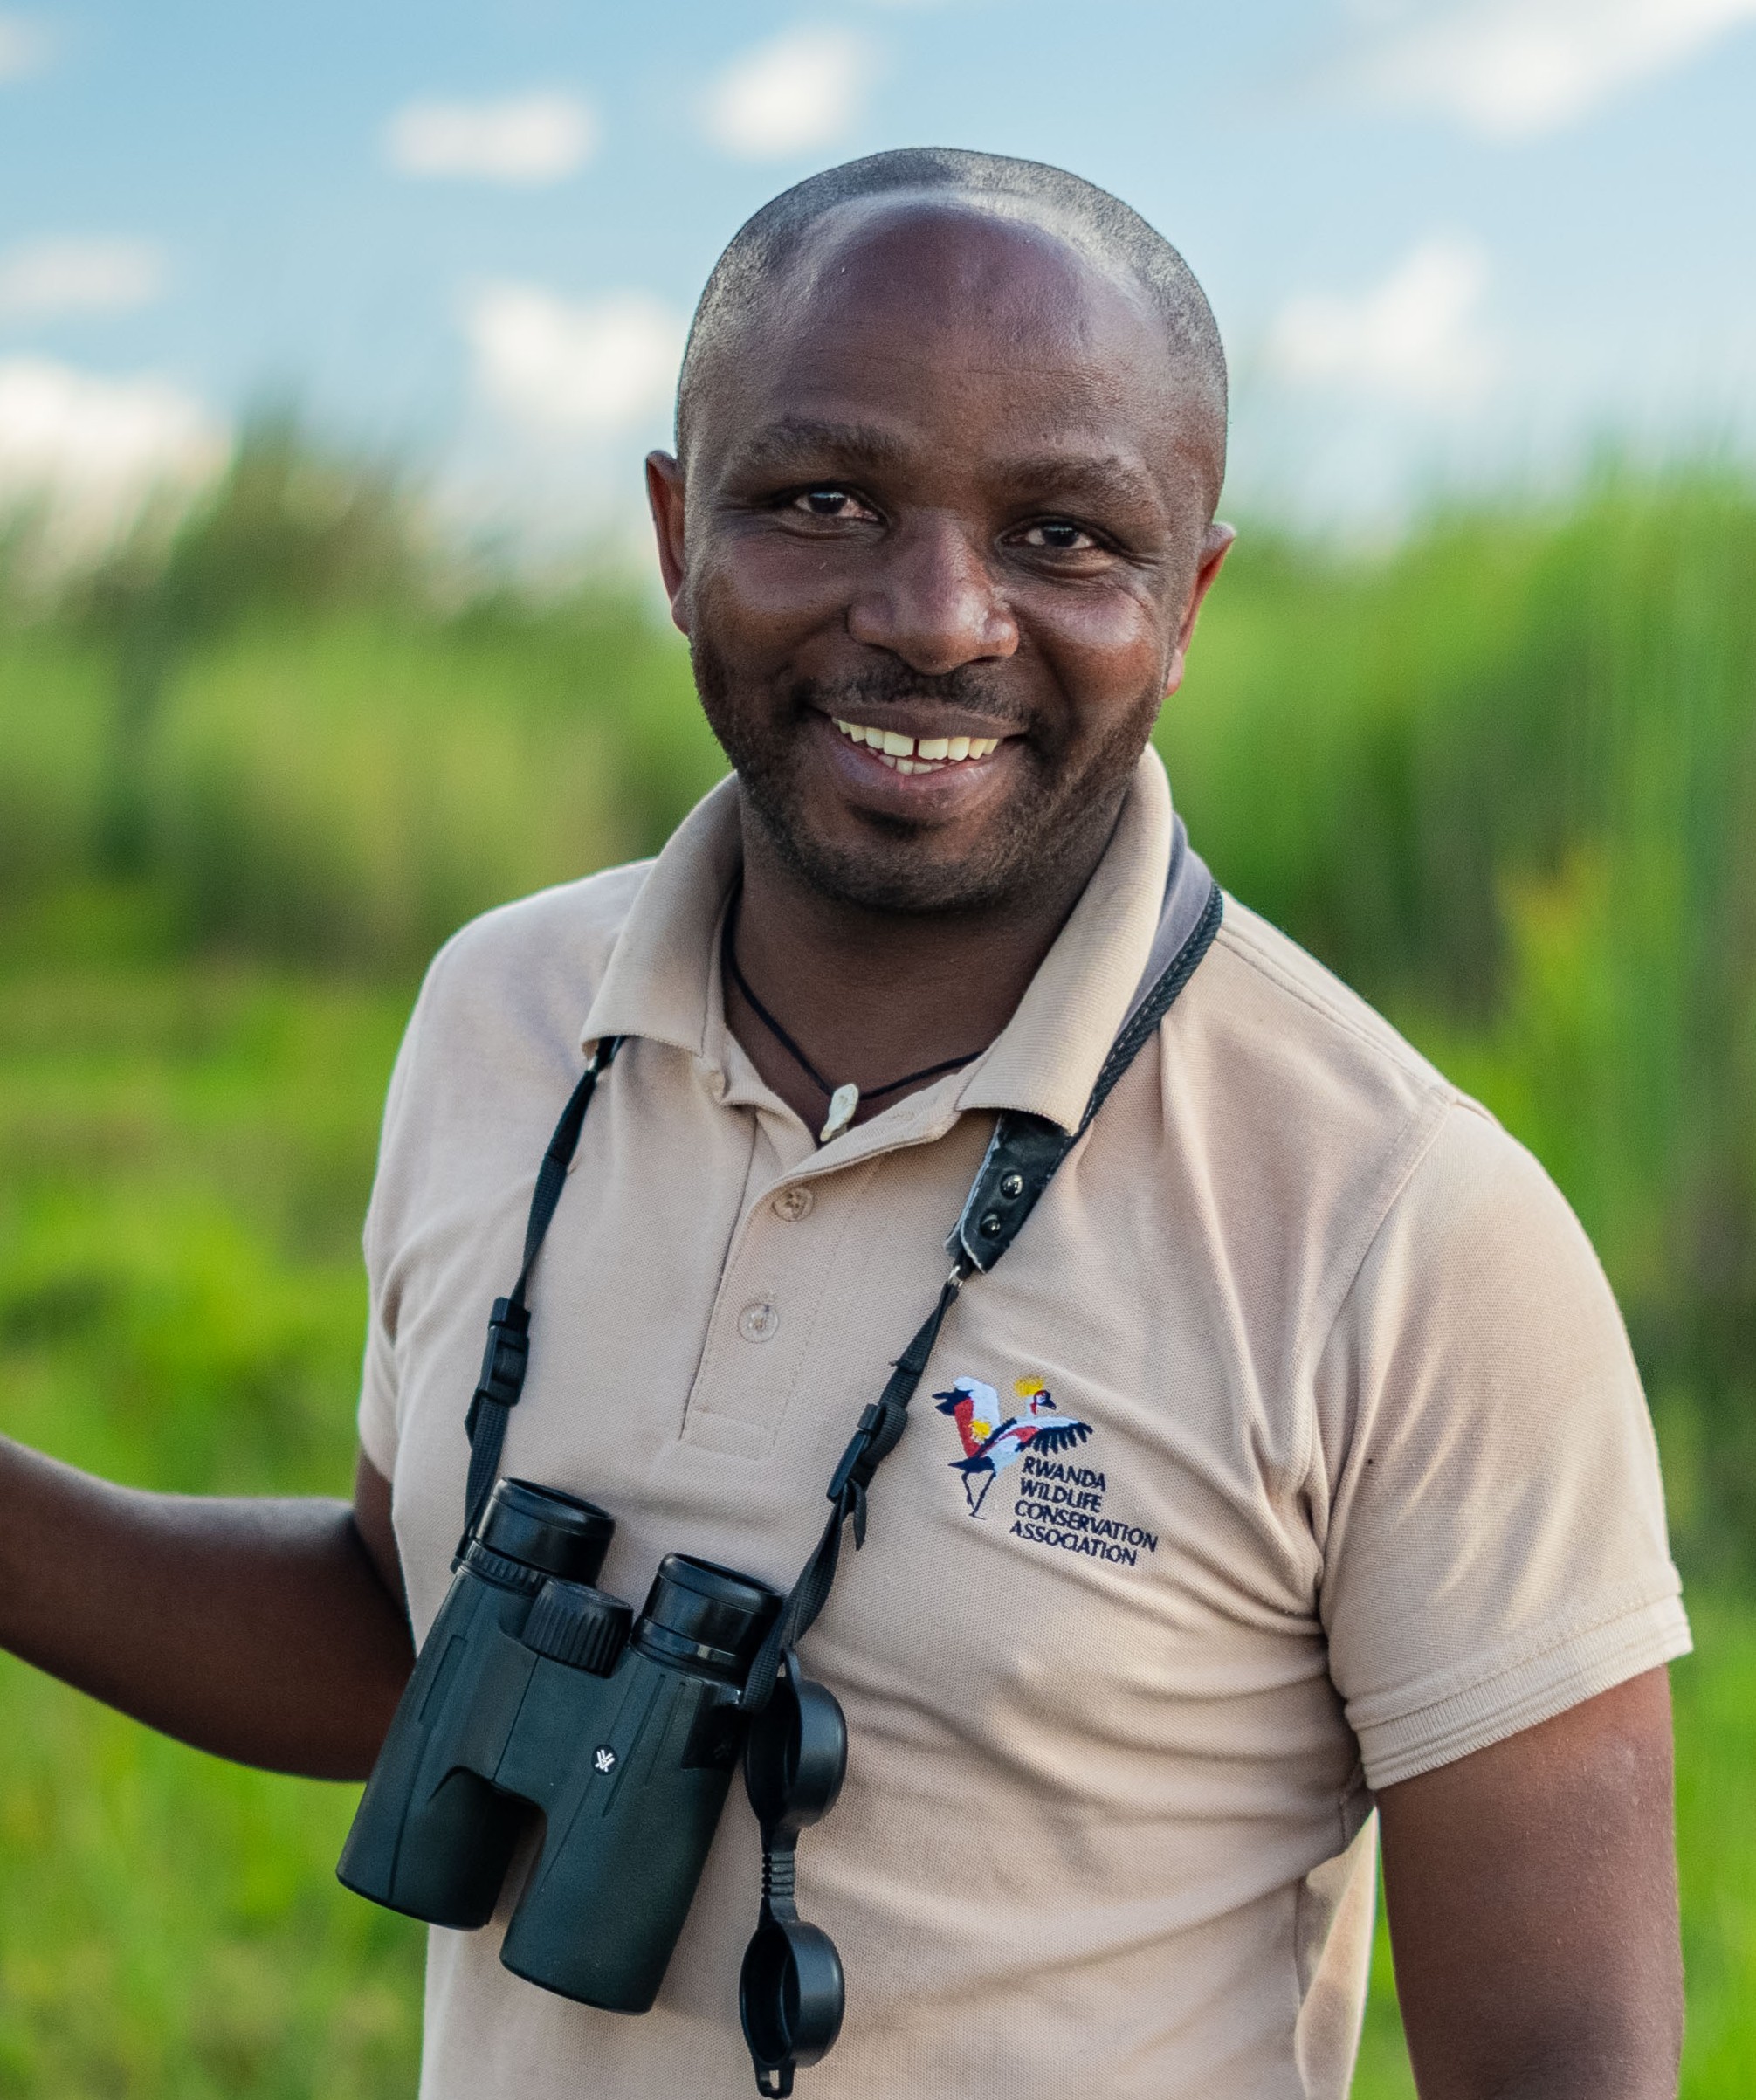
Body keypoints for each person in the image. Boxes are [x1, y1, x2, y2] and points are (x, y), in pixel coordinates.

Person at [0, 148, 1690, 2099]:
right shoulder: (502, 1015)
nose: (940, 617)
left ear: (1190, 593)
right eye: (823, 500)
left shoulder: (1403, 1224)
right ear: (670, 532)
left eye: (1064, 535)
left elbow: (1565, 2060)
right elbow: (410, 1630)